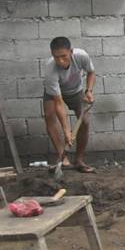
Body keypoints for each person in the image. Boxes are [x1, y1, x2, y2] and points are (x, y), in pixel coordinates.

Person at [43, 36, 96, 173]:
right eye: (56, 57)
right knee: (49, 116)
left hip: (76, 90)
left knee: (84, 121)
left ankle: (79, 160)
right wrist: (67, 131)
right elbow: (59, 103)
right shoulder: (50, 68)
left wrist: (89, 91)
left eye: (63, 56)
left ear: (71, 52)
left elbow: (91, 72)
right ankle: (63, 158)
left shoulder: (81, 56)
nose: (60, 61)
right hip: (55, 93)